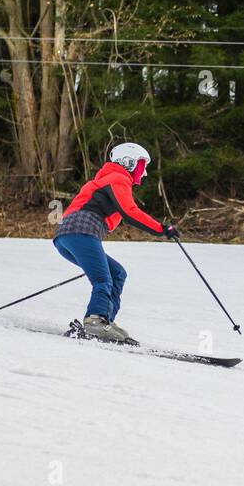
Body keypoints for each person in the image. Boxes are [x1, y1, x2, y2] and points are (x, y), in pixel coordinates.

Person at [53, 142, 176, 341]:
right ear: (128, 162)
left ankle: (105, 320)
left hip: (69, 236)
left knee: (117, 273)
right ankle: (95, 321)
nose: (144, 173)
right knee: (103, 279)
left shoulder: (109, 179)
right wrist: (162, 229)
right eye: (142, 166)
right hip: (80, 232)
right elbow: (130, 212)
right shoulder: (117, 178)